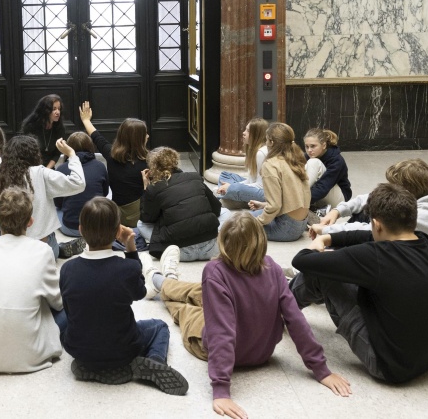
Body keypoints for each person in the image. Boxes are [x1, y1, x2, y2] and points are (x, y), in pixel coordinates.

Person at [143, 212, 350, 418]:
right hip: (262, 352)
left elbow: (221, 334)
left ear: (223, 241)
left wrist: (221, 389)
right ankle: (164, 280)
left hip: (230, 355)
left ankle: (159, 281)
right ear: (261, 241)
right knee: (200, 291)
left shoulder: (215, 270)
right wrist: (321, 369)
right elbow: (295, 319)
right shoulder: (272, 267)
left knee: (185, 310)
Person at [290, 183, 428, 383]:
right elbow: (368, 237)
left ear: (377, 224)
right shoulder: (426, 241)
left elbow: (302, 261)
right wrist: (329, 238)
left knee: (322, 273)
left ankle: (279, 307)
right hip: (425, 361)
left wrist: (316, 246)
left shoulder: (377, 258)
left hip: (387, 366)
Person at [60, 197, 188, 395]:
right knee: (159, 327)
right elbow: (141, 292)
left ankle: (90, 365)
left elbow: (69, 311)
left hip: (79, 350)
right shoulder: (126, 268)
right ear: (117, 232)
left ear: (80, 230)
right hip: (123, 349)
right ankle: (153, 362)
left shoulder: (67, 269)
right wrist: (130, 247)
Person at [310, 158, 428, 331]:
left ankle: (315, 276)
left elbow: (364, 232)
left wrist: (326, 231)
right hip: (423, 276)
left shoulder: (421, 218)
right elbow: (372, 198)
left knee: (348, 264)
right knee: (366, 217)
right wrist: (338, 210)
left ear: (404, 193)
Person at [0, 187, 66, 373]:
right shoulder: (43, 251)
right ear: (30, 222)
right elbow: (57, 303)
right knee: (67, 306)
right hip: (32, 353)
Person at [0, 135, 85, 259]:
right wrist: (72, 155)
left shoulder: (2, 175)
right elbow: (79, 183)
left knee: (1, 232)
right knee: (51, 240)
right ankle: (60, 249)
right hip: (41, 247)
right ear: (34, 154)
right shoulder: (41, 173)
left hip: (9, 245)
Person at [138, 146, 228, 261]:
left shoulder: (154, 188)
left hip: (178, 252)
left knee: (140, 224)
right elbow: (217, 209)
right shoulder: (194, 177)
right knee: (226, 212)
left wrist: (146, 188)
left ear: (152, 168)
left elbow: (146, 218)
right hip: (211, 249)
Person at [78, 101, 148, 227]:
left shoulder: (111, 154)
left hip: (116, 215)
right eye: (145, 134)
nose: (147, 136)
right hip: (136, 217)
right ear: (139, 139)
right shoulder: (147, 162)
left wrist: (86, 120)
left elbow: (96, 137)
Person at [247, 122, 311, 242]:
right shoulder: (296, 158)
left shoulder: (270, 165)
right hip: (301, 223)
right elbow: (292, 198)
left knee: (240, 222)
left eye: (266, 140)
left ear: (271, 142)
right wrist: (263, 205)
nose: (265, 143)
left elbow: (275, 206)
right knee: (250, 216)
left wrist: (257, 223)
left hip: (286, 228)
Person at [54, 131, 108, 256]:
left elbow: (58, 202)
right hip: (97, 226)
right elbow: (104, 194)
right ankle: (90, 240)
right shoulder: (100, 166)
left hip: (70, 228)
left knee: (55, 209)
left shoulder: (61, 169)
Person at [216, 117, 268, 206]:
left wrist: (231, 187)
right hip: (254, 187)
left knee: (232, 188)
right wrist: (231, 186)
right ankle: (235, 196)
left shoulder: (261, 153)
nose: (243, 133)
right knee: (224, 175)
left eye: (247, 131)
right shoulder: (254, 151)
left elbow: (261, 186)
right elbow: (250, 180)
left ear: (256, 135)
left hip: (264, 193)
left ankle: (230, 197)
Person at [304, 128, 352, 209]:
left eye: (313, 146)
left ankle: (300, 201)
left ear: (324, 145)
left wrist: (300, 202)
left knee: (313, 162)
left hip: (339, 199)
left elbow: (323, 186)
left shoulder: (336, 160)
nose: (309, 150)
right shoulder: (307, 156)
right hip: (319, 195)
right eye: (306, 146)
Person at [22, 94, 66, 169]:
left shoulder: (59, 128)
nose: (57, 112)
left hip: (49, 170)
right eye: (54, 109)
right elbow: (26, 153)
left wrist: (46, 170)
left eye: (59, 109)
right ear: (45, 110)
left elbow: (57, 154)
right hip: (33, 168)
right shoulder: (31, 127)